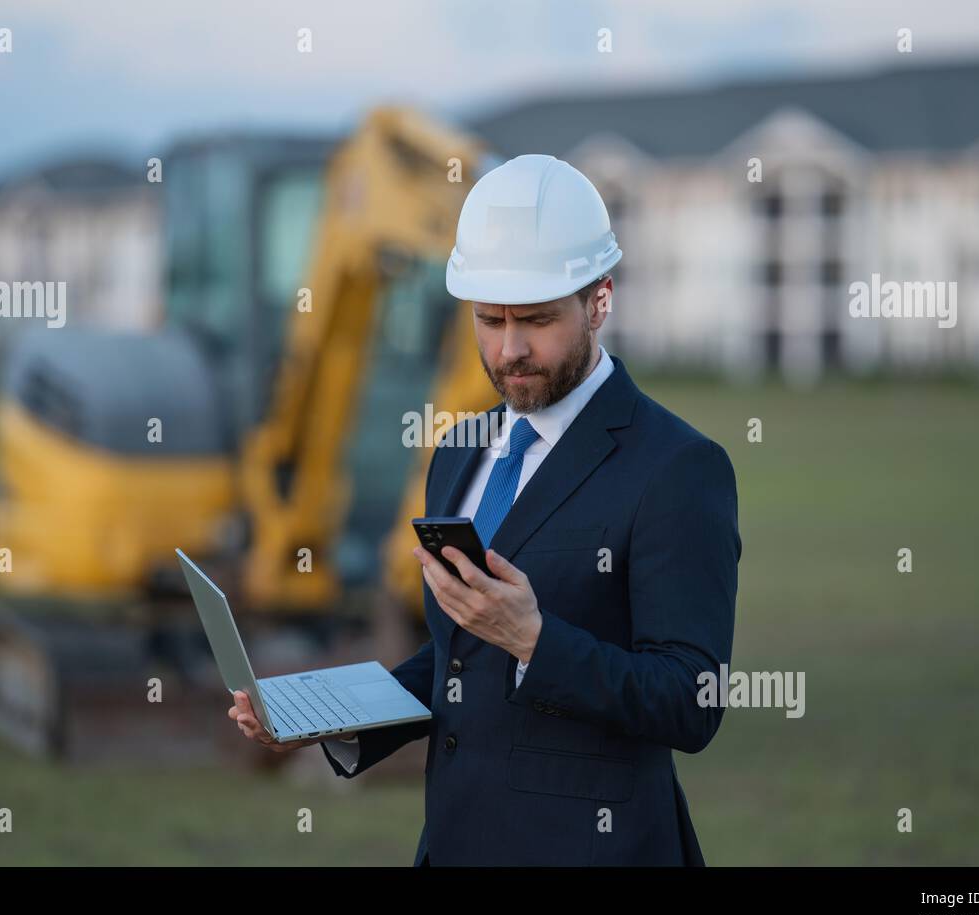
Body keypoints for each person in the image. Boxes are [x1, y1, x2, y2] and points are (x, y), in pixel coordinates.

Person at [230, 154, 741, 865]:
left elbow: (691, 700)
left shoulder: (678, 468)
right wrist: (320, 711)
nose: (510, 350)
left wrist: (535, 640)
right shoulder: (458, 450)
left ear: (600, 300)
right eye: (490, 320)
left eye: (535, 321)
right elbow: (458, 656)